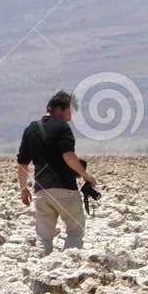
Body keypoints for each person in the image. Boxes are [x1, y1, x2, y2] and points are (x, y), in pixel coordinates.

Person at [16, 90, 100, 253]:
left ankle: (42, 269)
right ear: (61, 109)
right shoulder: (62, 128)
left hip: (41, 191)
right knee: (75, 231)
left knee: (44, 237)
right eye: (70, 110)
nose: (71, 115)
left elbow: (22, 163)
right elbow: (68, 156)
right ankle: (69, 267)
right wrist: (86, 176)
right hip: (65, 189)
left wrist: (23, 188)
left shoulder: (31, 129)